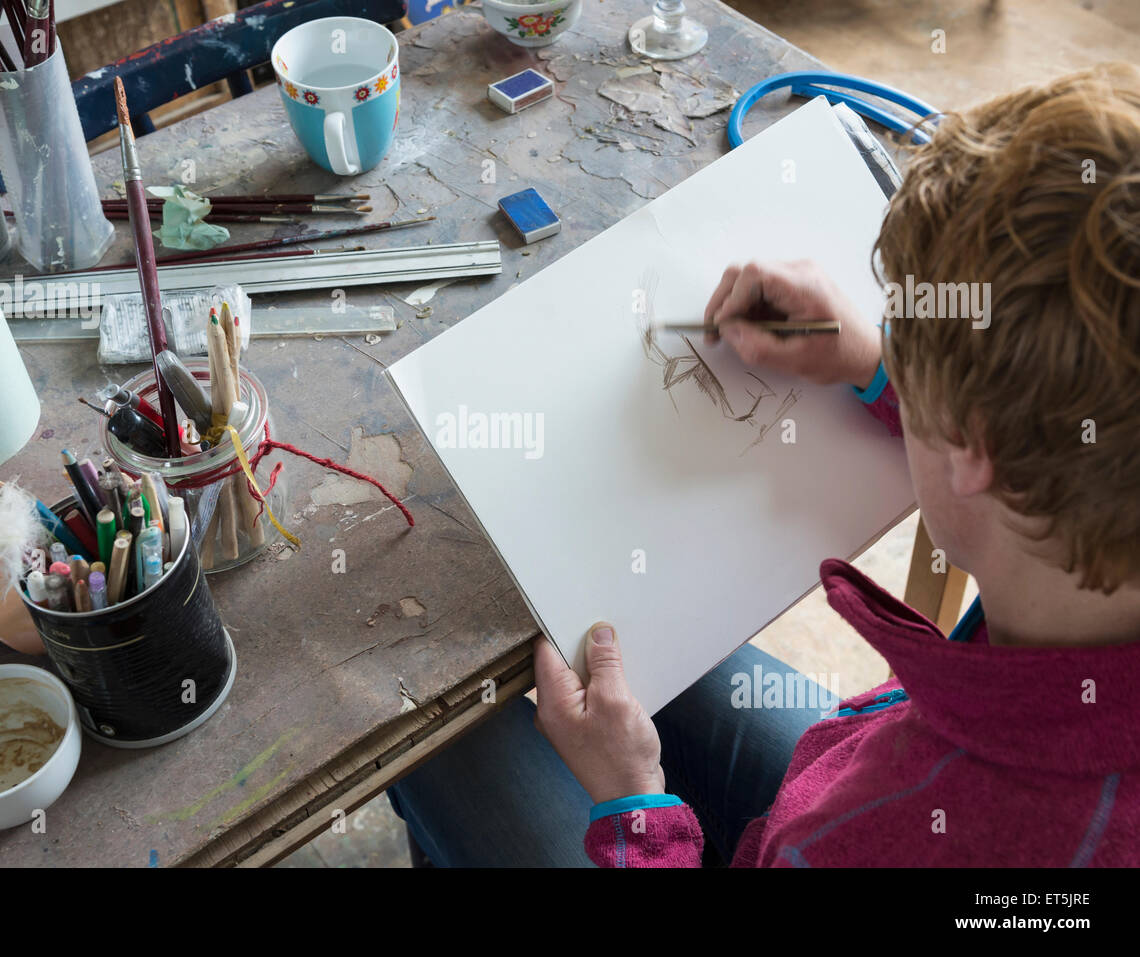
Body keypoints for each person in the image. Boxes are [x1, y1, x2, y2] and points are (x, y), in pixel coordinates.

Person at [389, 63, 1140, 867]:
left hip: (829, 817)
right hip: (872, 748)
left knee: (440, 725)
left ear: (972, 448)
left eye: (912, 358)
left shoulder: (901, 835)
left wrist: (634, 802)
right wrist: (879, 368)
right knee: (627, 663)